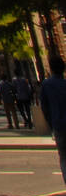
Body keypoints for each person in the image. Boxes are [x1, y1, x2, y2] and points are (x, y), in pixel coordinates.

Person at [39, 56, 66, 185]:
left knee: (63, 157)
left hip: (58, 125)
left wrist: (51, 124)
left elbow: (44, 106)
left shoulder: (46, 84)